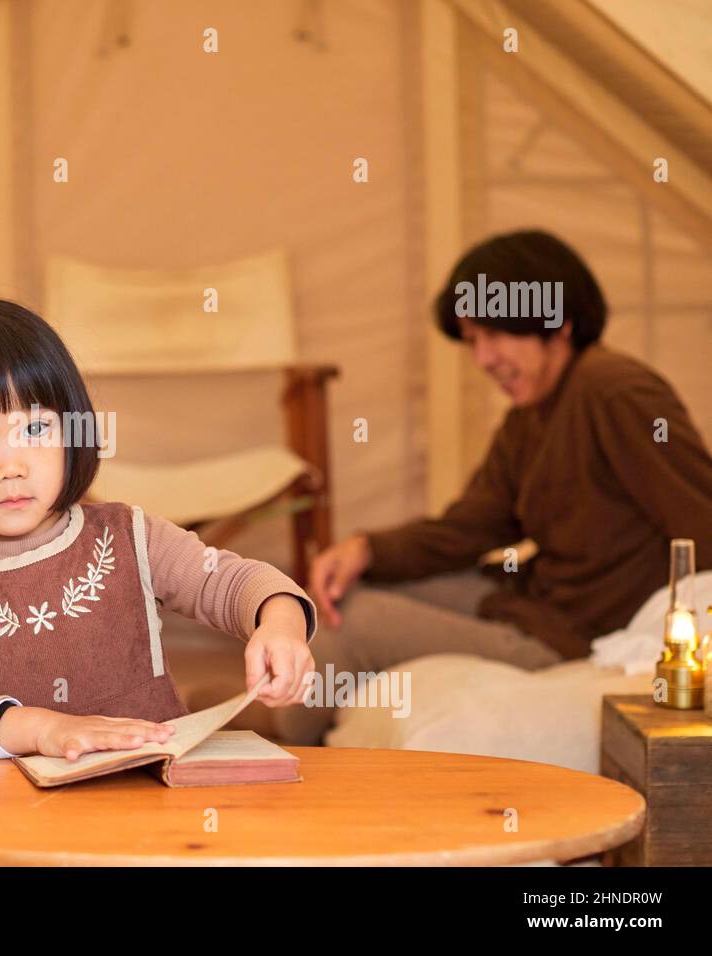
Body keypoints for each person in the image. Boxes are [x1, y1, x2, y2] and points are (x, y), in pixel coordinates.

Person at [276, 230, 712, 745]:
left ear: (557, 323)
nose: (482, 359)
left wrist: (657, 647)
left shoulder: (616, 392)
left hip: (572, 636)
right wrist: (366, 549)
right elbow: (469, 528)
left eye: (494, 335)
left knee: (347, 625)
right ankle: (261, 717)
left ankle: (269, 745)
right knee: (346, 590)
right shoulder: (529, 417)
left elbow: (701, 524)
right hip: (526, 598)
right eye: (473, 341)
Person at [0, 299, 317, 763]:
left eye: (36, 428)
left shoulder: (128, 535)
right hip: (4, 824)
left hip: (152, 804)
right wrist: (42, 728)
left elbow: (233, 582)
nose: (11, 467)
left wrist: (280, 625)